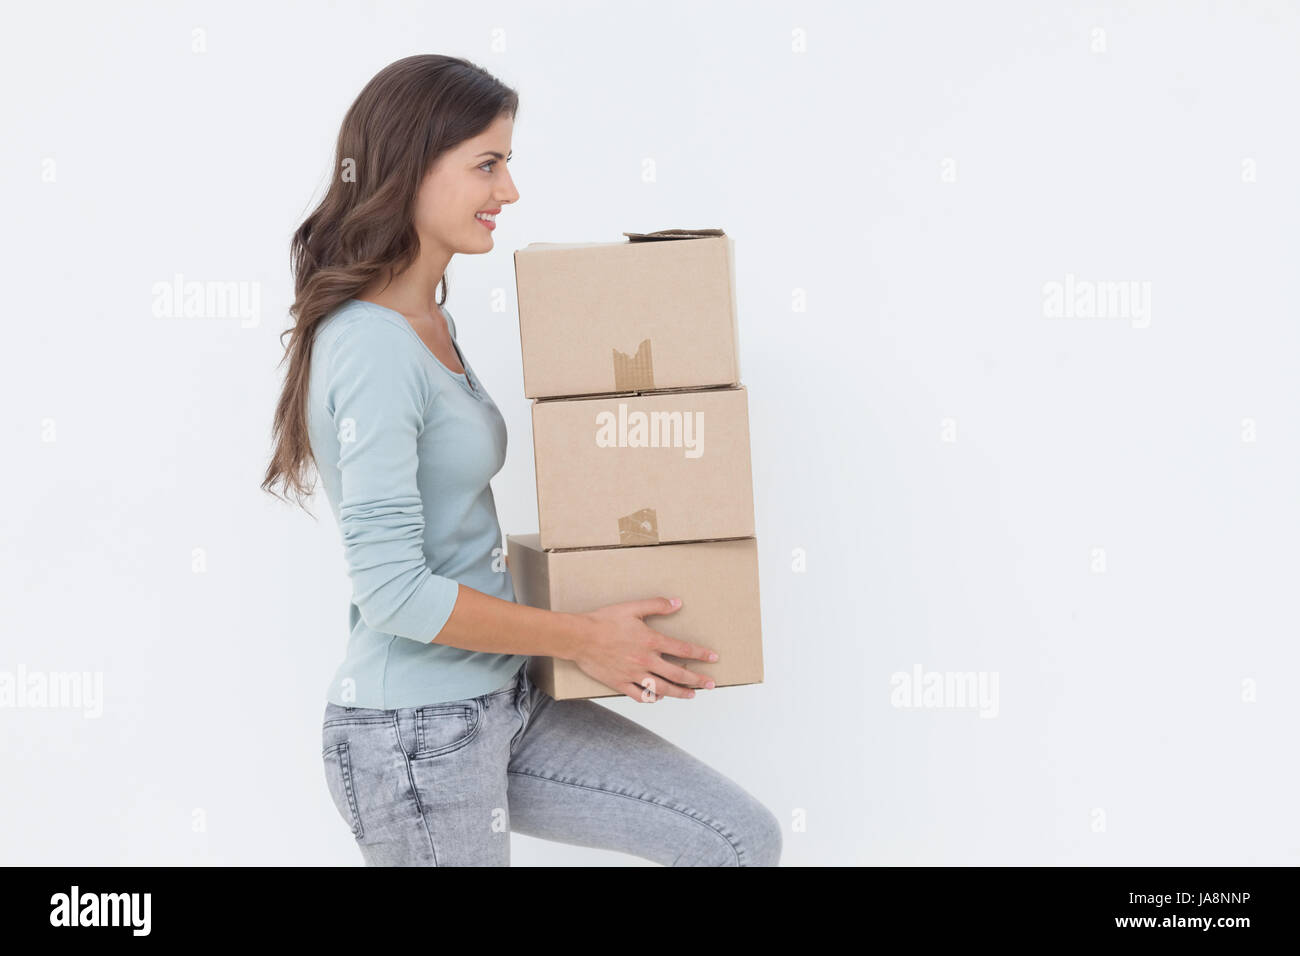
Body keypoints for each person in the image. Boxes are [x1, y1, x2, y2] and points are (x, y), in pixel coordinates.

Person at [261, 54, 781, 866]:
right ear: (409, 167)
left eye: (507, 163)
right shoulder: (369, 348)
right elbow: (392, 589)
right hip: (415, 737)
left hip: (502, 699)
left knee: (735, 840)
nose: (508, 191)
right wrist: (582, 636)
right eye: (487, 164)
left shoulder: (429, 321)